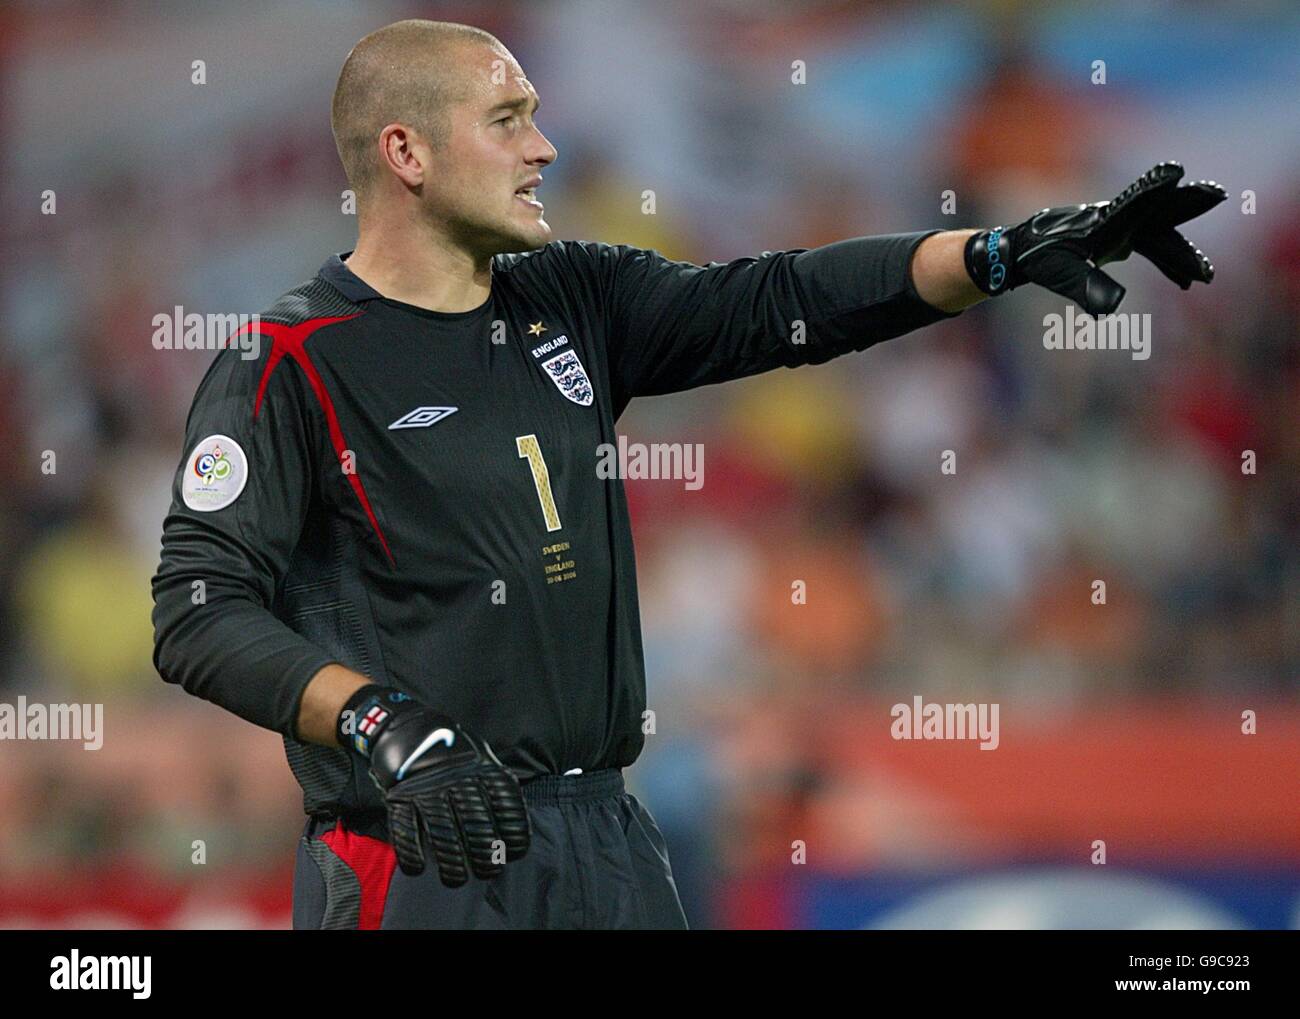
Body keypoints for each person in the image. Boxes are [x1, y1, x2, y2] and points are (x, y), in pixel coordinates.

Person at [150, 18, 1222, 930]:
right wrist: (376, 719)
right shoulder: (286, 359)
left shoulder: (571, 294)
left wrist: (994, 253)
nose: (545, 147)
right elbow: (197, 611)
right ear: (407, 152)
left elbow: (777, 300)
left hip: (606, 839)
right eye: (509, 119)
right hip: (423, 843)